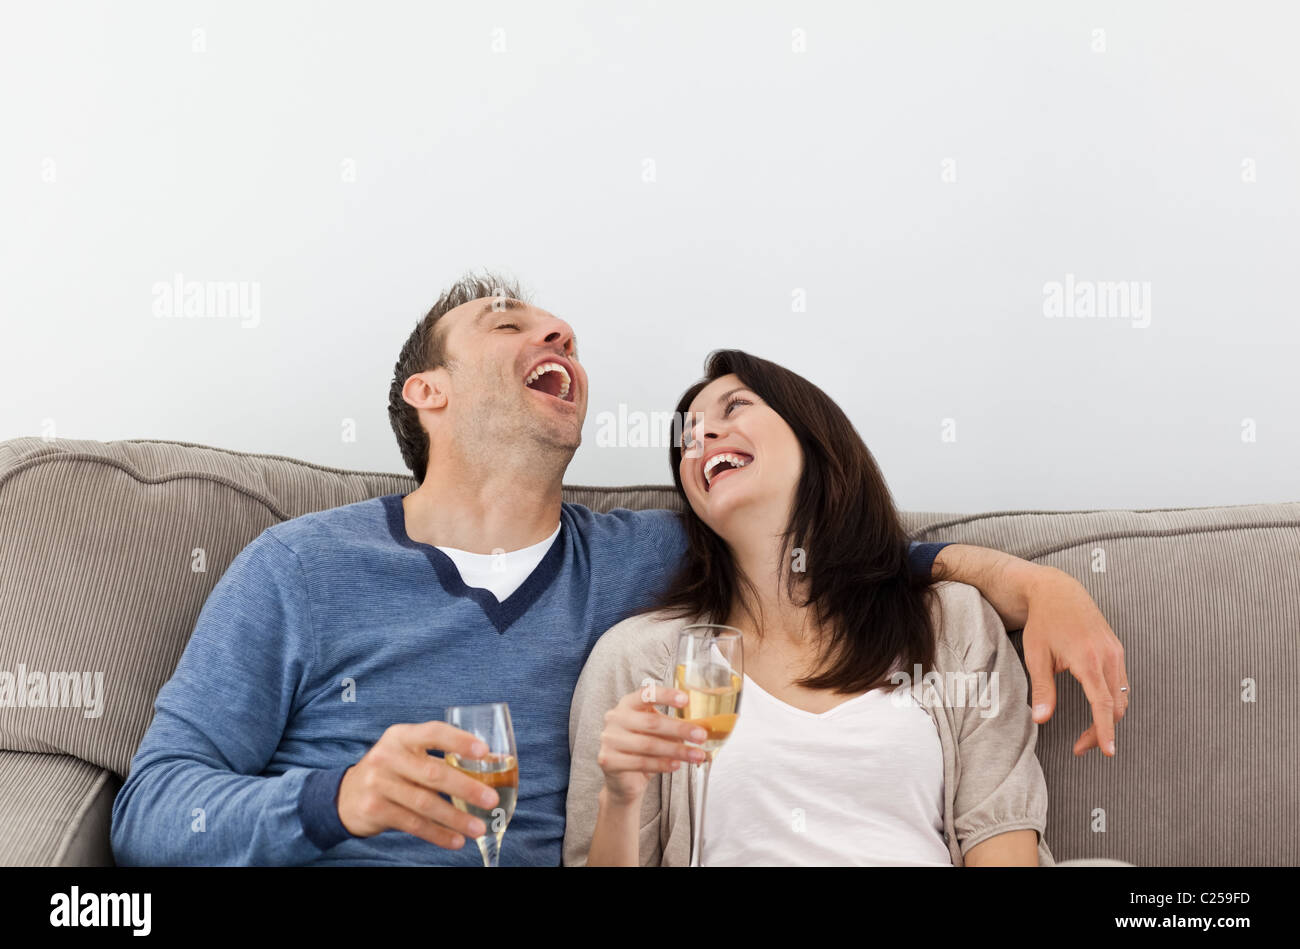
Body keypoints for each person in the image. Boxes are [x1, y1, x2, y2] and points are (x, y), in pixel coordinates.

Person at [110, 274, 1127, 866]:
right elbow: (153, 810)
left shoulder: (653, 559)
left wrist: (1033, 583)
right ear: (429, 391)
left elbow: (836, 561)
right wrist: (335, 798)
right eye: (509, 324)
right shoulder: (297, 567)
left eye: (563, 332)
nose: (557, 333)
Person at [566, 350, 1067, 865]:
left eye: (734, 407)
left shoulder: (952, 623)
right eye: (687, 438)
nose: (702, 438)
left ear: (814, 435)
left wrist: (1045, 585)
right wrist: (620, 799)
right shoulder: (639, 660)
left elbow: (1002, 841)